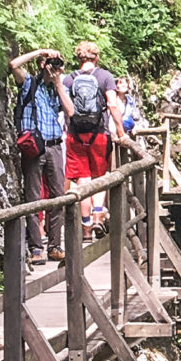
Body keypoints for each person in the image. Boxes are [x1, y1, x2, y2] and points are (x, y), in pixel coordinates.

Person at [8, 48, 68, 259]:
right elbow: (13, 65)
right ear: (42, 65)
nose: (54, 67)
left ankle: (55, 246)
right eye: (51, 63)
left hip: (54, 145)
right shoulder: (29, 84)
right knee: (33, 197)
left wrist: (58, 82)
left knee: (58, 196)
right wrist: (40, 52)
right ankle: (36, 247)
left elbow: (70, 111)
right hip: (33, 146)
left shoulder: (58, 89)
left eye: (58, 64)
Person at [60, 40, 122, 225]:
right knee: (99, 176)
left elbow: (65, 108)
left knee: (83, 179)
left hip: (75, 135)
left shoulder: (69, 79)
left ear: (78, 58)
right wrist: (121, 131)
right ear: (97, 57)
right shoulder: (105, 77)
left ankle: (85, 225)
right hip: (99, 134)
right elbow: (112, 104)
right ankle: (97, 217)